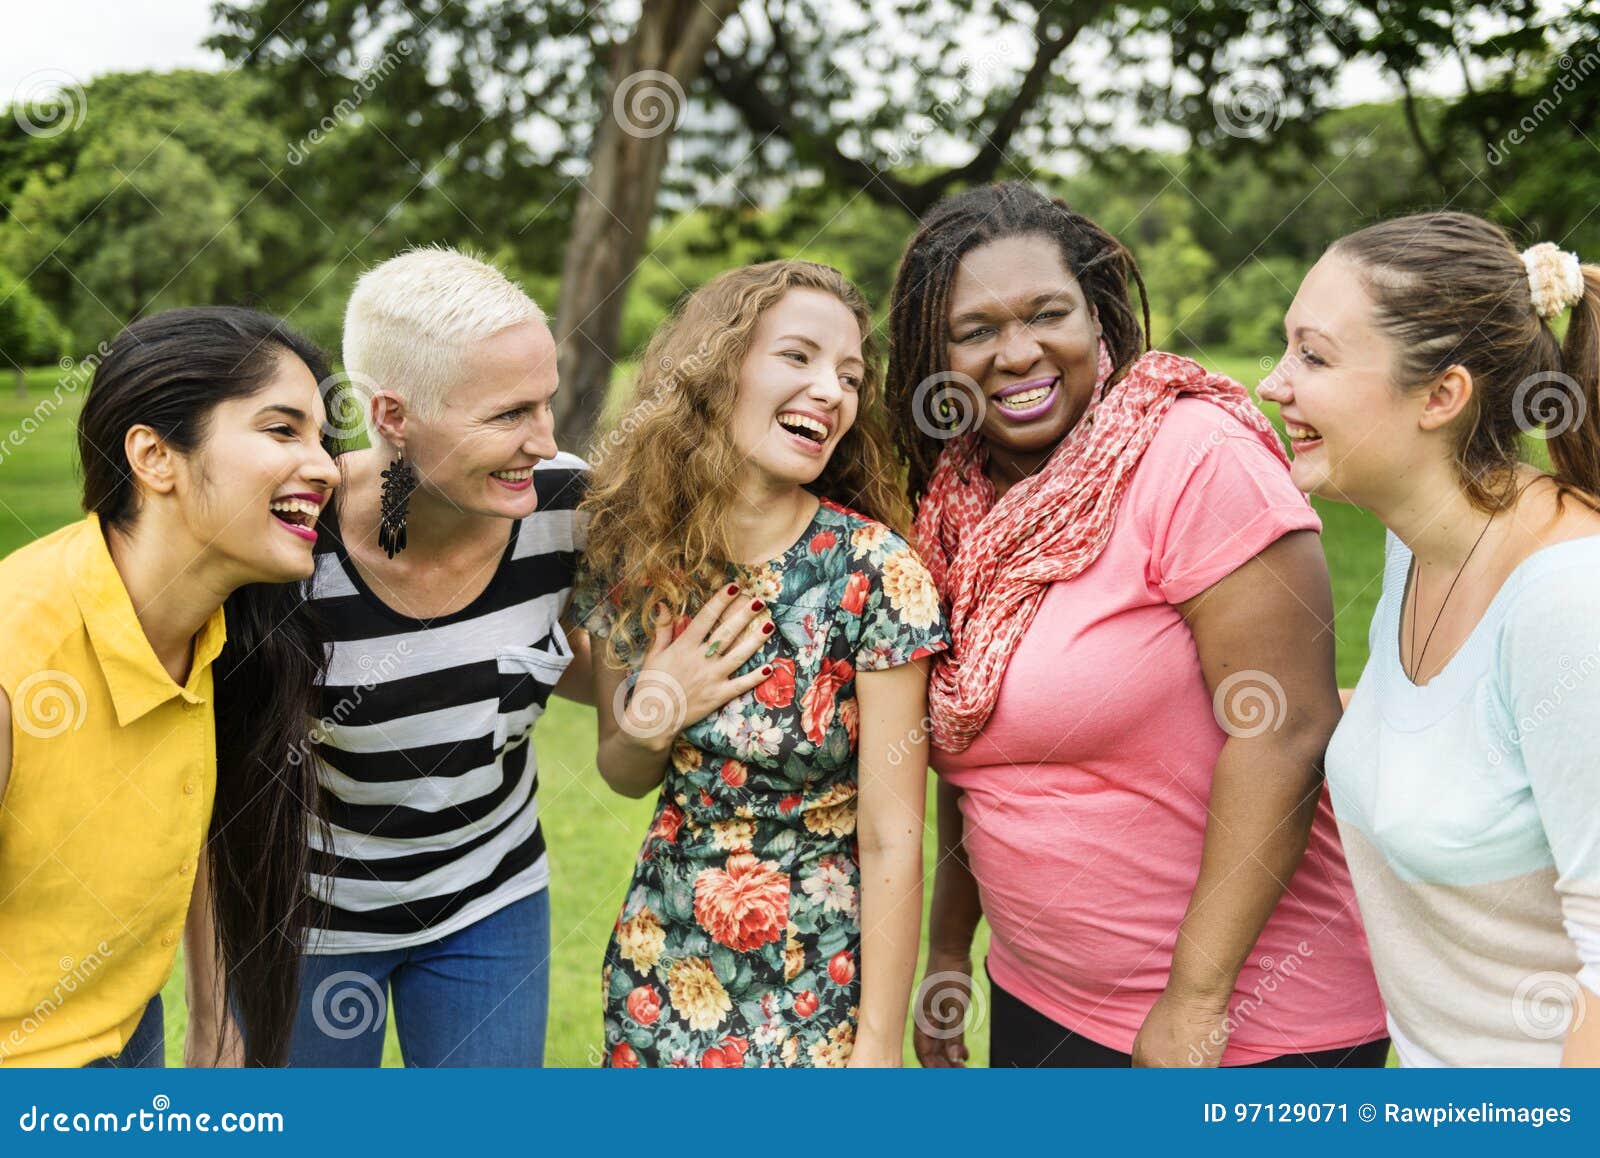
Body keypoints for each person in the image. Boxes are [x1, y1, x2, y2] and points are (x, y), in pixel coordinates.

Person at [888, 182, 1388, 1067]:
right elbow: (980, 762)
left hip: (1250, 1023)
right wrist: (949, 951)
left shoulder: (1192, 455)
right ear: (936, 354)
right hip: (1038, 999)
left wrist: (1195, 1000)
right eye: (975, 330)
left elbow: (1288, 730)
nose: (1018, 352)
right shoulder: (953, 508)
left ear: (1099, 318)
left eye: (1048, 314)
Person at [570, 260, 949, 1067]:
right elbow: (622, 771)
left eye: (851, 376)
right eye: (798, 356)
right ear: (717, 368)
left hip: (816, 988)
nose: (831, 391)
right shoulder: (633, 551)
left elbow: (892, 838)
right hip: (658, 975)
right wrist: (659, 707)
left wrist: (879, 1046)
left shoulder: (875, 573)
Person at [1259, 212, 1600, 1066]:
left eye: (1314, 357)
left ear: (1442, 397)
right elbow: (1444, 735)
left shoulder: (1569, 604)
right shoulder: (1417, 544)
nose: (1271, 384)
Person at [0, 307, 339, 1067]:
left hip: (129, 1034)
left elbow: (199, 825)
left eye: (321, 438)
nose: (326, 467)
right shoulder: (16, 656)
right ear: (155, 458)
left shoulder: (216, 631)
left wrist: (217, 1027)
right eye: (282, 430)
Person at [282, 247, 591, 1067]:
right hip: (312, 920)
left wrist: (669, 682)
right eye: (509, 414)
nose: (544, 441)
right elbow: (220, 782)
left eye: (547, 402)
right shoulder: (289, 543)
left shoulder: (565, 506)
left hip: (492, 899)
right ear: (392, 415)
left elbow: (576, 661)